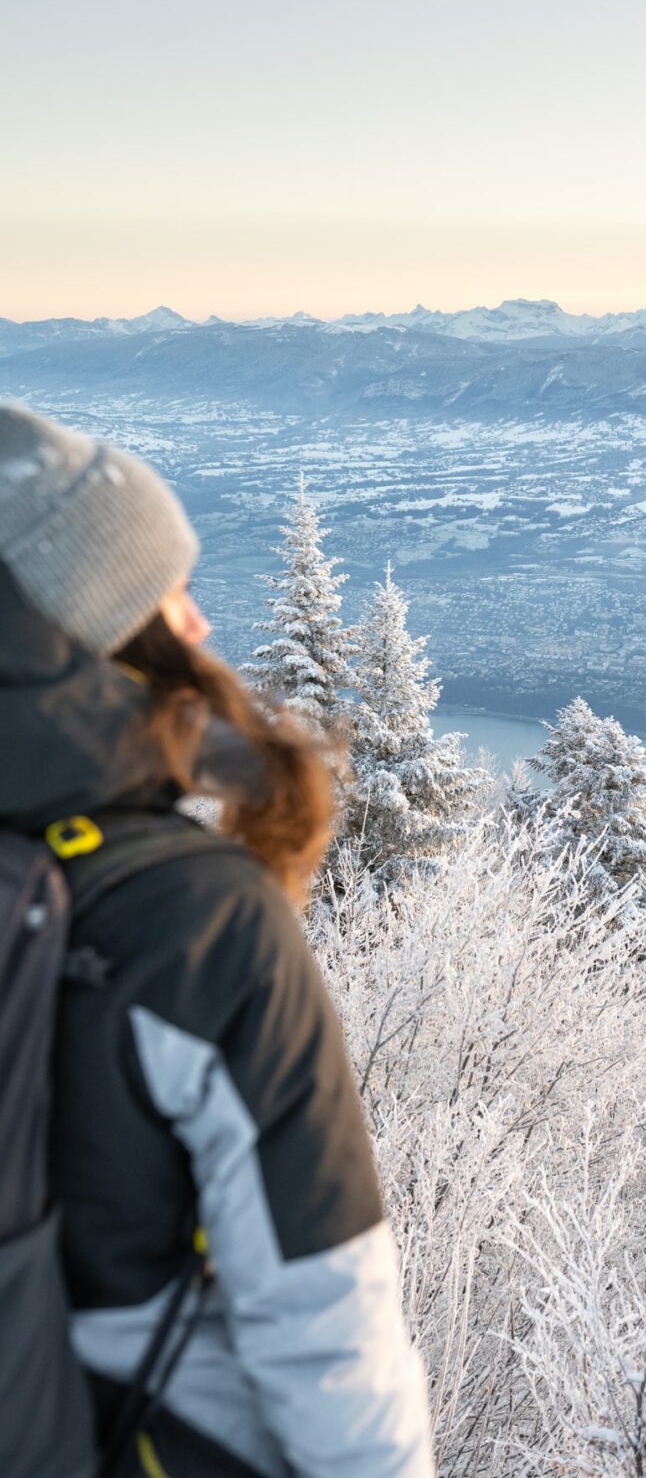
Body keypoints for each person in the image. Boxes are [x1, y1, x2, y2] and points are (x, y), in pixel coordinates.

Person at [0, 402, 435, 1477]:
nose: (197, 622)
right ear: (96, 636)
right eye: (166, 593)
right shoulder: (196, 922)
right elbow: (326, 1325)